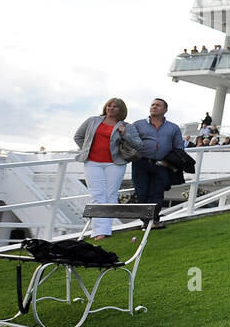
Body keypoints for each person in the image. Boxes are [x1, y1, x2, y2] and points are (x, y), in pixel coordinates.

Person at [73, 98, 130, 240]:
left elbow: (135, 143)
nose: (111, 108)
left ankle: (105, 229)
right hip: (92, 162)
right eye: (109, 105)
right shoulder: (92, 120)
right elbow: (78, 136)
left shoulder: (125, 126)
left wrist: (124, 134)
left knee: (111, 195)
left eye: (115, 106)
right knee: (97, 195)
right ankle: (99, 232)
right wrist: (87, 149)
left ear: (121, 110)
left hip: (115, 163)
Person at [125, 98, 186, 228]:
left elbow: (179, 147)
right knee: (141, 192)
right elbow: (129, 142)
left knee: (157, 193)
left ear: (165, 110)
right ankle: (146, 222)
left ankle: (154, 220)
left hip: (162, 164)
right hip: (141, 163)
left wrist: (169, 163)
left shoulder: (173, 128)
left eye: (158, 105)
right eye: (152, 105)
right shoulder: (138, 124)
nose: (154, 107)